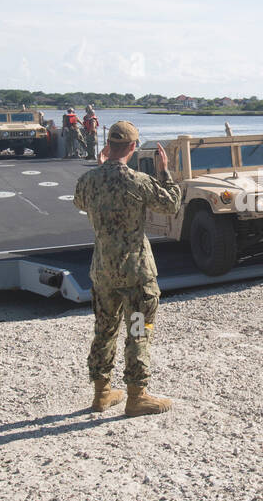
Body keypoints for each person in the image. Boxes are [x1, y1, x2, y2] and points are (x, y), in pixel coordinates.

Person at [72, 121, 182, 416]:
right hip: (135, 273)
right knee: (137, 331)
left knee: (105, 330)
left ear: (107, 147)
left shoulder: (88, 181)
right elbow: (171, 204)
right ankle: (137, 395)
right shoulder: (138, 181)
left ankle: (102, 393)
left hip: (103, 271)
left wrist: (99, 170)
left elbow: (80, 202)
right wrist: (164, 171)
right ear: (133, 148)